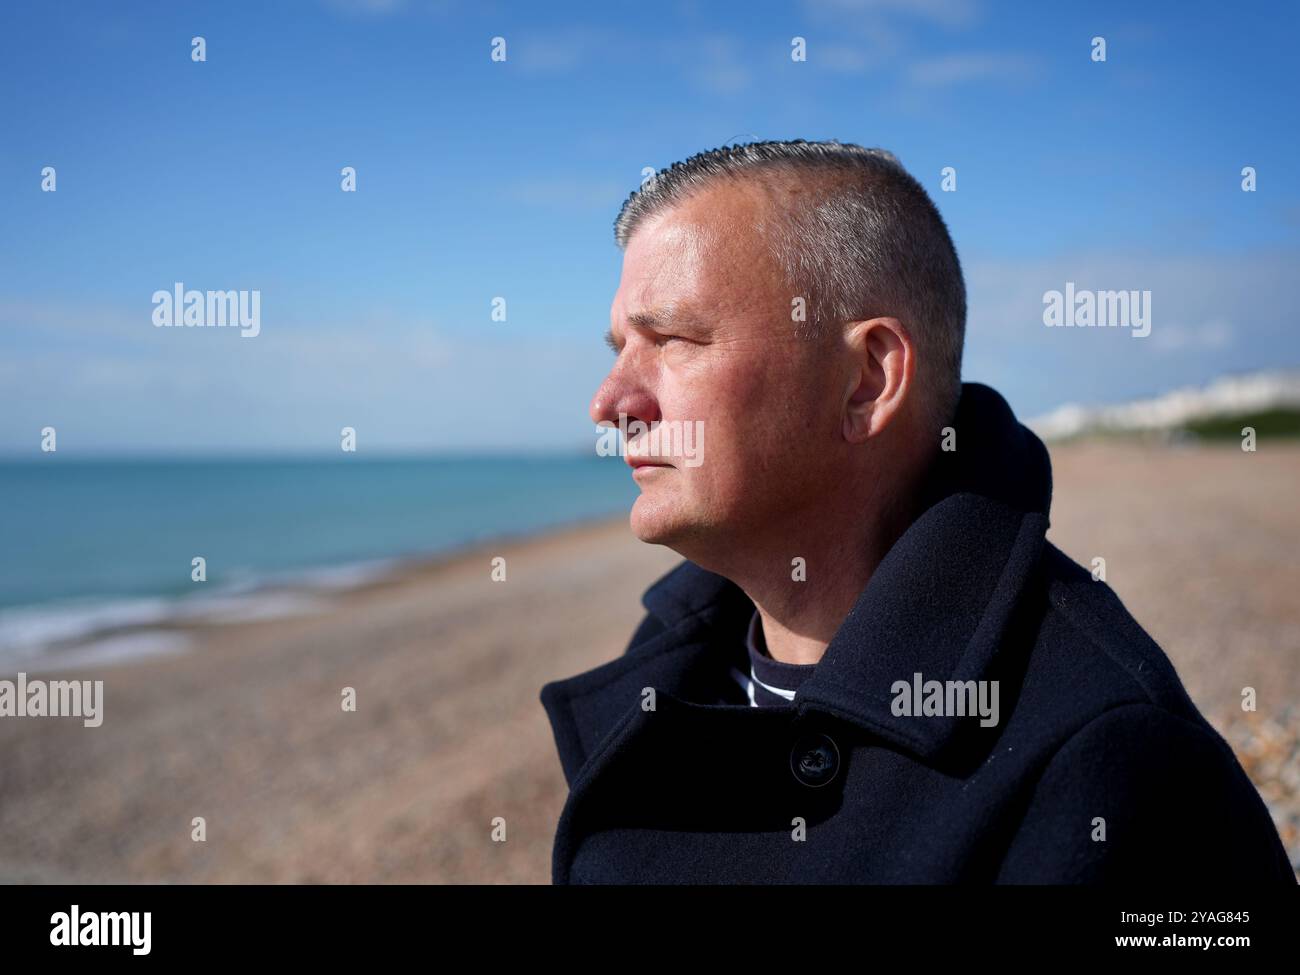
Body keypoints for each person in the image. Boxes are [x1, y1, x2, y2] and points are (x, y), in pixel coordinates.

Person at [539, 140, 1295, 884]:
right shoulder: (676, 652)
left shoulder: (1108, 761)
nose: (610, 404)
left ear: (867, 378)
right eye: (619, 347)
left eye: (672, 339)